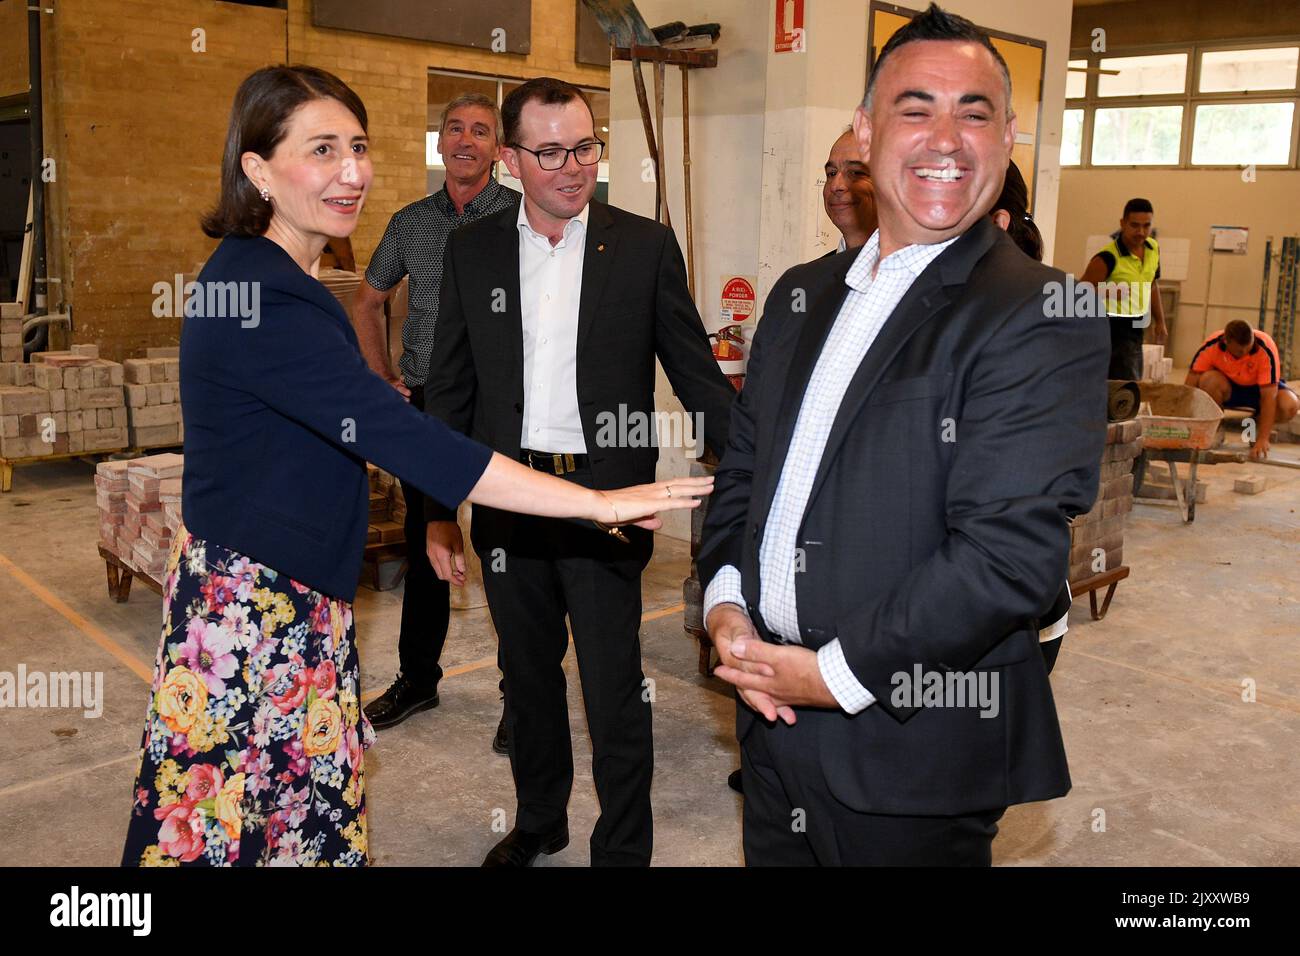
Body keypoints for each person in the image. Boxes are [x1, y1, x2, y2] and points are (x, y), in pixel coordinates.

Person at [120, 65, 710, 868]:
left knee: (286, 817)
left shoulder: (284, 286)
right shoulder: (267, 296)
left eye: (357, 147)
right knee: (236, 820)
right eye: (321, 149)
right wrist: (581, 504)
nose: (352, 170)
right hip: (260, 612)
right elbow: (416, 429)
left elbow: (694, 374)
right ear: (257, 170)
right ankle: (541, 817)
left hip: (295, 599)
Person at [698, 4, 1108, 866]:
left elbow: (1007, 557)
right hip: (770, 721)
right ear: (866, 129)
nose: (945, 138)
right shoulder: (803, 295)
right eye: (916, 108)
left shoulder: (1038, 310)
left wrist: (833, 675)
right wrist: (726, 602)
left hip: (908, 745)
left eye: (975, 112)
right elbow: (745, 473)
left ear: (1008, 138)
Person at [424, 76, 736, 867]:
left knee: (613, 688)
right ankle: (540, 822)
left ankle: (622, 849)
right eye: (551, 151)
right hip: (509, 501)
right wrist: (435, 509)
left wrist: (748, 472)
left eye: (586, 148)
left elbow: (696, 376)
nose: (572, 167)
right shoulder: (475, 251)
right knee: (526, 679)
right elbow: (451, 387)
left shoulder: (642, 246)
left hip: (610, 506)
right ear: (509, 159)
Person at [352, 93, 519, 745]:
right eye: (456, 129)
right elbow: (368, 302)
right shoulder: (411, 222)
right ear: (440, 141)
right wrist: (382, 378)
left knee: (507, 553)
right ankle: (418, 679)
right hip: (428, 406)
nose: (466, 140)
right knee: (428, 548)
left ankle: (520, 690)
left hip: (500, 409)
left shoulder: (519, 214)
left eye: (481, 131)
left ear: (498, 149)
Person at [1079, 197, 1167, 380]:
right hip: (1110, 330)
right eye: (1135, 225)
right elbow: (1079, 291)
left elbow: (1152, 284)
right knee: (1122, 388)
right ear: (1123, 223)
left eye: (1146, 226)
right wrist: (1107, 292)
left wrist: (1160, 321)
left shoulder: (1153, 249)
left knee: (1131, 385)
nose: (1141, 232)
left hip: (1136, 328)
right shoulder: (1107, 258)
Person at [1187, 320, 1299, 460]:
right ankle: (1216, 427)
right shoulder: (1212, 344)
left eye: (1249, 349)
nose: (1245, 353)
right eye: (1240, 351)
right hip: (1229, 388)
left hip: (1259, 389)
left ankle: (1256, 425)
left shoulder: (1265, 347)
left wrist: (1263, 438)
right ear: (1226, 342)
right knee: (1208, 380)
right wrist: (1185, 425)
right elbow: (1190, 385)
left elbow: (1269, 397)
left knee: (1289, 405)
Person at [823, 127, 877, 252]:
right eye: (831, 173)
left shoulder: (926, 269)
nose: (836, 186)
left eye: (856, 172)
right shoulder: (810, 272)